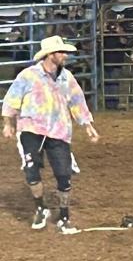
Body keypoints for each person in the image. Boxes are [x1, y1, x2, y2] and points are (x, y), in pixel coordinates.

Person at [1, 36, 100, 234]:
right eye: (61, 52)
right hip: (31, 128)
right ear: (50, 55)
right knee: (32, 170)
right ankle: (40, 207)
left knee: (64, 175)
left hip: (59, 130)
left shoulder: (67, 78)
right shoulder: (28, 76)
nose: (65, 56)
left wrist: (87, 125)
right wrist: (8, 123)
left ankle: (64, 215)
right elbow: (12, 99)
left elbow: (77, 101)